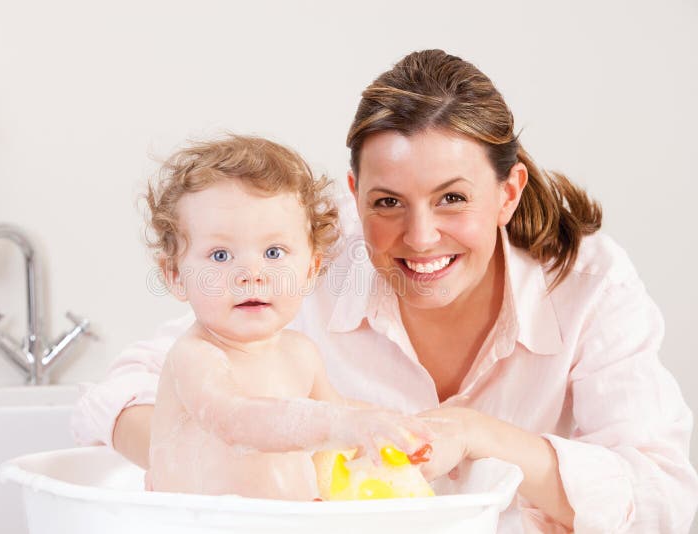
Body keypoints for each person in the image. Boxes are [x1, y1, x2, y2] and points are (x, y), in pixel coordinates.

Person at [73, 49, 698, 532]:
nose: (420, 237)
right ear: (353, 195)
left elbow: (666, 502)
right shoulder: (297, 263)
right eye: (388, 202)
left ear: (507, 193)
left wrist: (481, 435)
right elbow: (115, 396)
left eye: (452, 198)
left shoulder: (585, 282)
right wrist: (213, 455)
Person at [142, 135, 433, 499]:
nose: (251, 273)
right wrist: (342, 423)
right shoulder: (196, 356)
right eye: (220, 255)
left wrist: (395, 427)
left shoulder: (300, 354)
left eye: (274, 252)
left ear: (311, 269)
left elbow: (338, 412)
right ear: (175, 275)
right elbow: (236, 421)